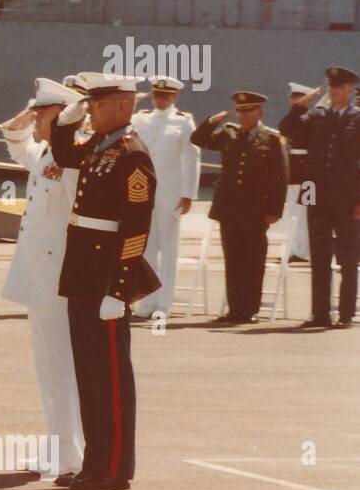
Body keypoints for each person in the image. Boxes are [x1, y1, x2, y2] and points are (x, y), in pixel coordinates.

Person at [49, 73, 160, 490]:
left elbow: (136, 229)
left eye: (96, 104)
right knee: (89, 373)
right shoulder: (101, 147)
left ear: (121, 105)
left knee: (111, 378)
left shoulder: (132, 155)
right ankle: (95, 462)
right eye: (89, 104)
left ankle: (113, 469)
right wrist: (66, 119)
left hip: (106, 279)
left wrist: (119, 290)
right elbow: (63, 154)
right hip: (82, 273)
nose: (90, 110)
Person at [0, 78, 85, 483]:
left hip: (58, 277)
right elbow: (13, 139)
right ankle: (58, 449)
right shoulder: (47, 153)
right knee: (46, 366)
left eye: (43, 113)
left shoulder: (72, 159)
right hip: (39, 276)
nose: (35, 118)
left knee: (60, 366)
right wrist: (33, 110)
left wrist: (65, 113)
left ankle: (70, 456)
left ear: (64, 115)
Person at [190, 91, 288, 324]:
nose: (244, 116)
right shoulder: (228, 133)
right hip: (229, 209)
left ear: (260, 113)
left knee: (253, 261)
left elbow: (279, 177)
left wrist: (274, 210)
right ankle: (234, 309)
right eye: (241, 111)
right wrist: (214, 120)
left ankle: (250, 309)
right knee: (232, 259)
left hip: (256, 210)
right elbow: (198, 140)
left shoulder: (271, 138)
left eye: (249, 111)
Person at [279, 66, 360, 327]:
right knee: (320, 257)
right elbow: (288, 129)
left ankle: (346, 313)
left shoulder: (357, 118)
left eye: (338, 86)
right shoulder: (316, 115)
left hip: (348, 200)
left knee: (348, 258)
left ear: (351, 89)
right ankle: (320, 313)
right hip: (317, 197)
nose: (333, 91)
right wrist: (300, 106)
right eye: (330, 86)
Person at [131, 75, 199, 319]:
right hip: (142, 193)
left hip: (170, 194)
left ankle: (164, 303)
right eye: (157, 95)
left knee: (169, 249)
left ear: (175, 97)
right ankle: (147, 302)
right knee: (146, 247)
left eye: (165, 96)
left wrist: (189, 194)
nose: (160, 100)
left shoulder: (183, 123)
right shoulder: (141, 119)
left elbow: (192, 159)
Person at [282, 82, 316, 260]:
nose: (291, 100)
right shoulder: (296, 117)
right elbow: (285, 127)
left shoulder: (310, 117)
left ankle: (303, 251)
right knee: (293, 213)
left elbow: (285, 127)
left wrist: (299, 108)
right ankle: (295, 249)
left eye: (295, 98)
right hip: (295, 173)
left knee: (304, 213)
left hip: (308, 176)